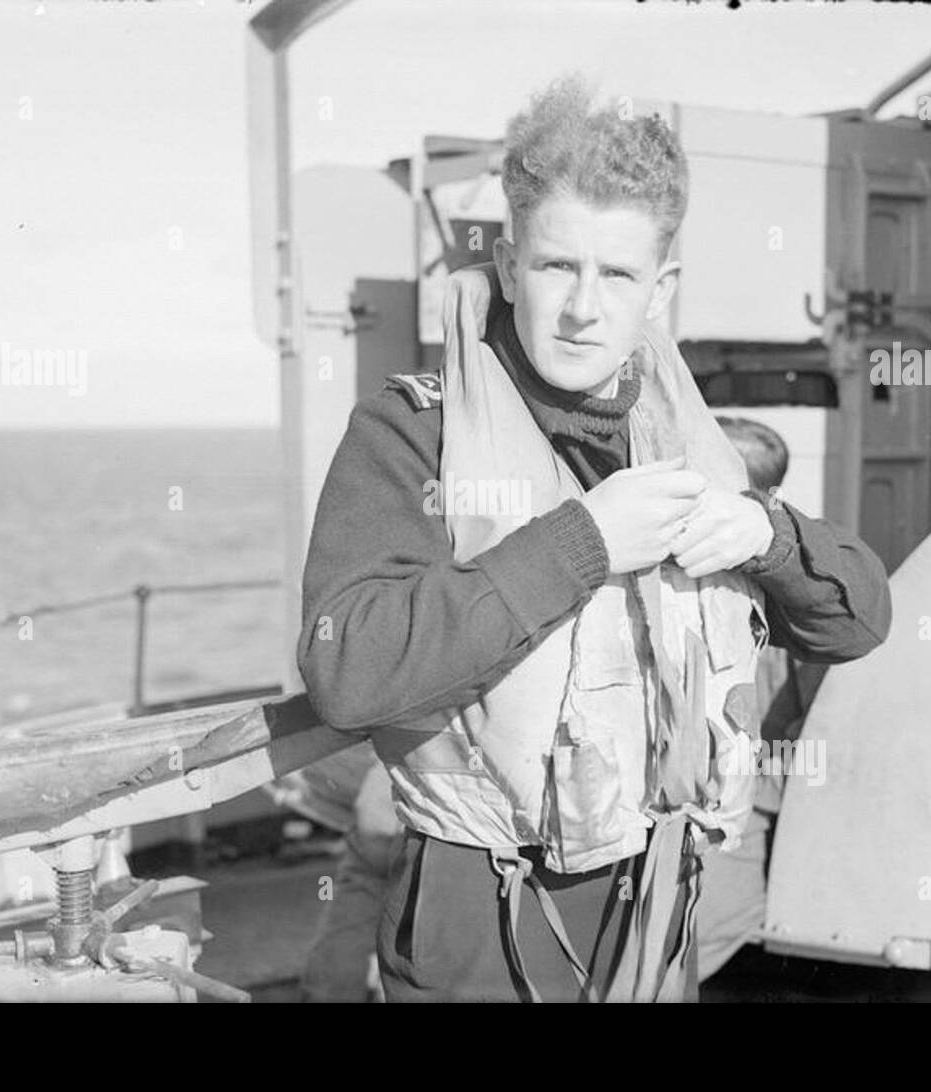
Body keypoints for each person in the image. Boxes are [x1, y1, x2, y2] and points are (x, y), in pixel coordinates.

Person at [298, 74, 891, 1003]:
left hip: (658, 914)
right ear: (504, 265)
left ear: (662, 289)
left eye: (616, 274)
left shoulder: (689, 441)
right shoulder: (413, 432)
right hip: (482, 929)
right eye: (554, 267)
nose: (583, 308)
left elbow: (858, 621)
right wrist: (583, 541)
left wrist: (765, 534)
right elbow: (348, 670)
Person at [692, 416, 827, 985]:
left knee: (692, 954)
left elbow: (819, 730)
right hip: (666, 810)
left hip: (732, 827)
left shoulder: (799, 588)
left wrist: (749, 780)